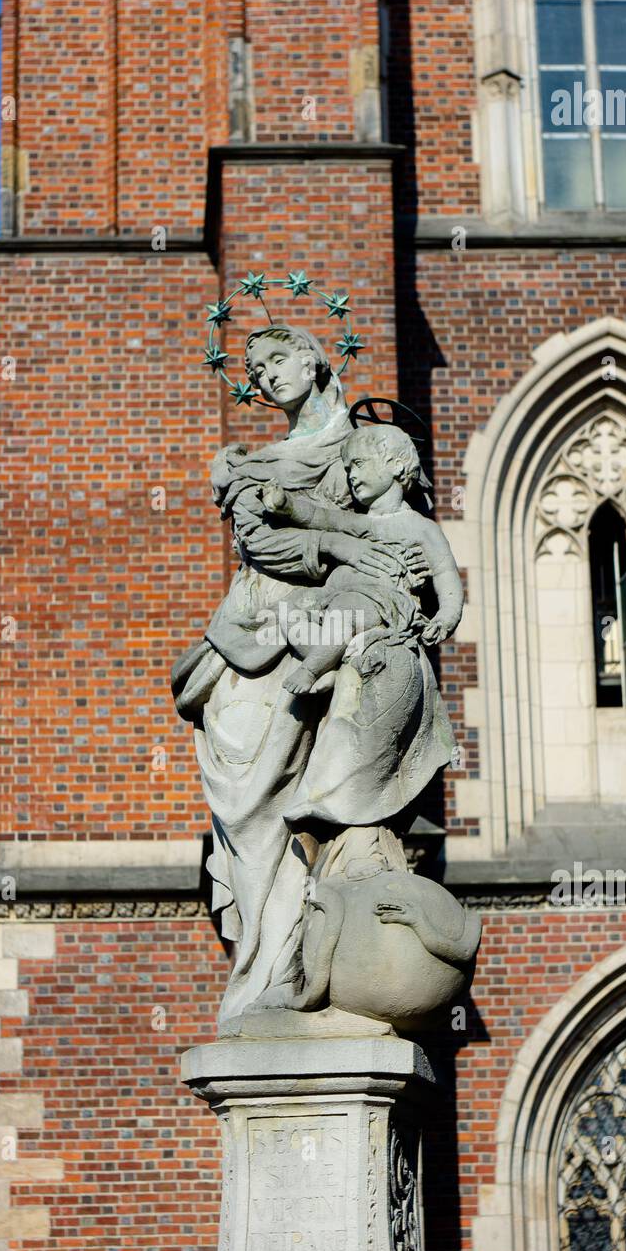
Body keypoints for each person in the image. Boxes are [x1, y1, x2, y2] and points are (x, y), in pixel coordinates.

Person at [171, 323, 456, 1027]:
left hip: (335, 634)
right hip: (261, 636)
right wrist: (339, 547)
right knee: (246, 803)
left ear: (313, 358)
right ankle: (263, 967)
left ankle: (304, 963)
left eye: (277, 359)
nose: (266, 375)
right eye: (254, 368)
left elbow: (404, 542)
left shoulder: (364, 450)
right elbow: (266, 546)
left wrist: (386, 576)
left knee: (315, 800)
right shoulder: (249, 464)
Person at [259, 422, 464, 695]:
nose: (351, 476)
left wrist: (445, 619)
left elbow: (445, 574)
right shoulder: (359, 522)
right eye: (348, 469)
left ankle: (310, 669)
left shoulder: (421, 527)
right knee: (289, 611)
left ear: (396, 465)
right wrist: (286, 506)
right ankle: (331, 664)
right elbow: (321, 518)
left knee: (345, 611)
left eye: (358, 464)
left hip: (381, 603)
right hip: (335, 596)